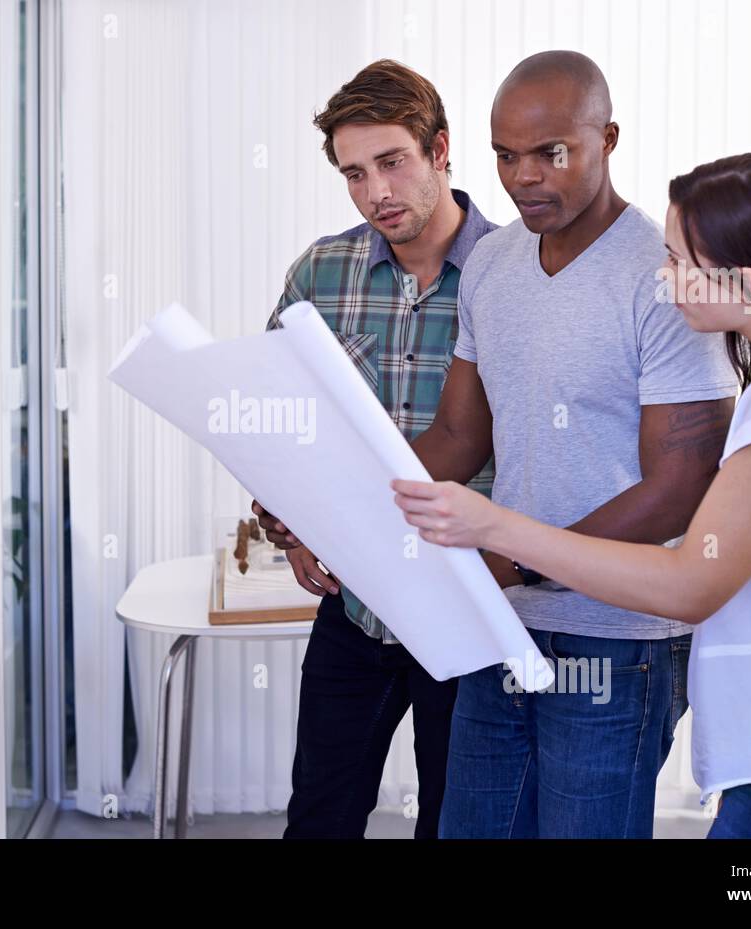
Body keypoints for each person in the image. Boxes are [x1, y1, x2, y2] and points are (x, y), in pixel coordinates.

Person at [394, 152, 751, 839]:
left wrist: (497, 528)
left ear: (742, 272)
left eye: (678, 261)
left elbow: (690, 581)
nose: (663, 279)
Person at [404, 50, 739, 838]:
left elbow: (682, 486)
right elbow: (458, 433)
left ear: (607, 139)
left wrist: (521, 557)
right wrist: (342, 495)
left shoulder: (666, 272)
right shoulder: (491, 261)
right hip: (504, 620)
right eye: (505, 155)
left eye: (551, 152)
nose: (523, 176)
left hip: (619, 637)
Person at [251, 59, 499, 838]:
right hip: (354, 611)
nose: (375, 193)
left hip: (473, 613)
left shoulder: (514, 272)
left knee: (455, 825)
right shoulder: (321, 273)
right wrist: (287, 523)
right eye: (354, 174)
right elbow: (271, 421)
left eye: (391, 162)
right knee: (319, 819)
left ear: (440, 149)